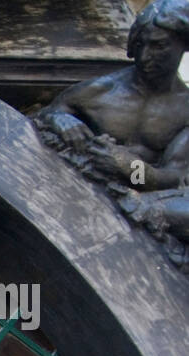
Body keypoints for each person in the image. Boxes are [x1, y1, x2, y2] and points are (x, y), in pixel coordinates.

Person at [35, 0, 189, 243]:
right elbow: (46, 115)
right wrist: (61, 120)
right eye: (140, 44)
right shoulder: (99, 91)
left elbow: (177, 176)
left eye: (159, 46)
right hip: (74, 199)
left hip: (141, 219)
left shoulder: (185, 110)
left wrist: (131, 168)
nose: (146, 56)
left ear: (183, 45)